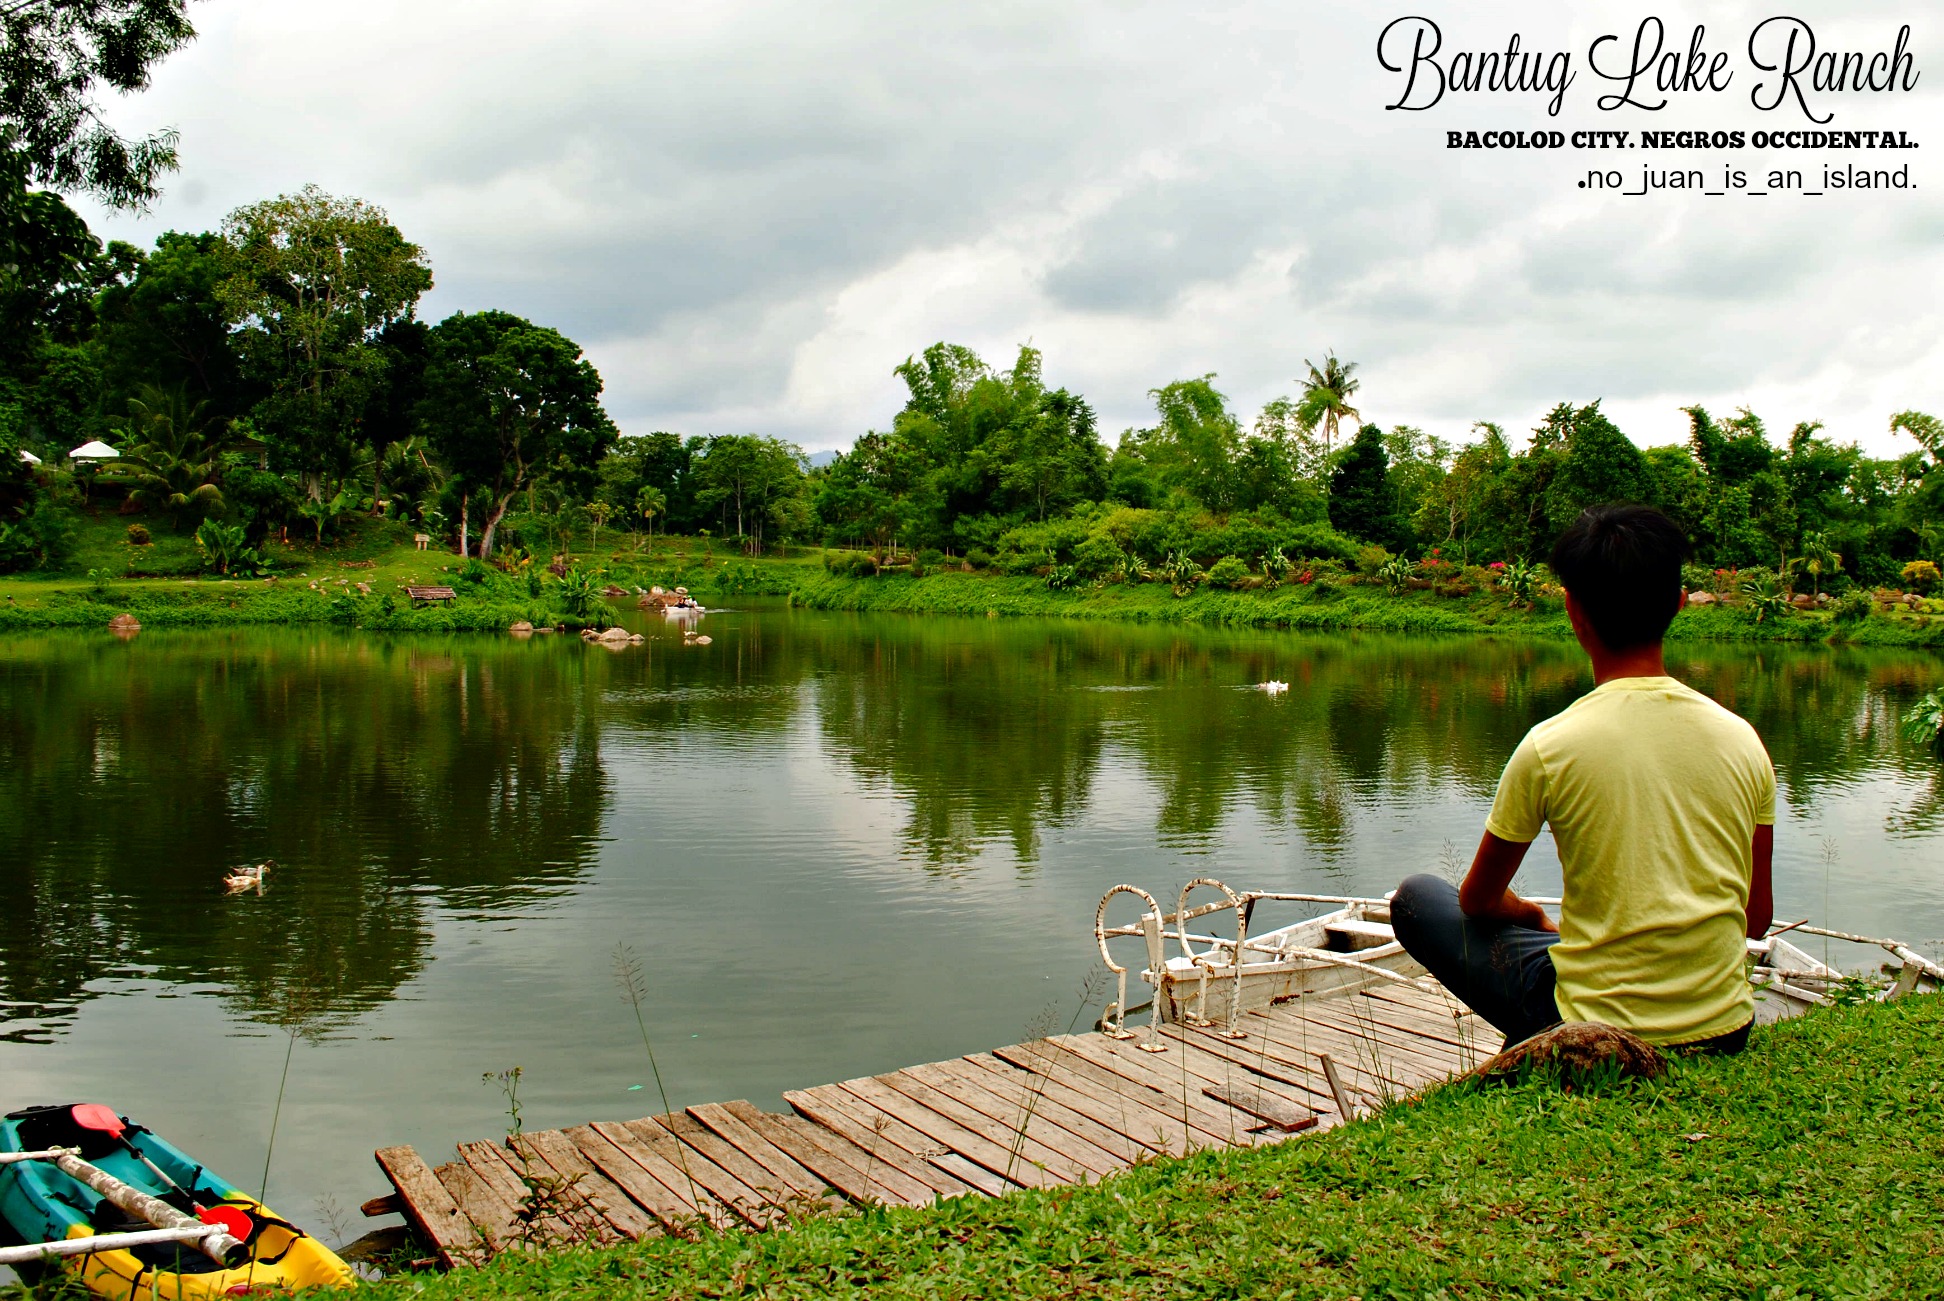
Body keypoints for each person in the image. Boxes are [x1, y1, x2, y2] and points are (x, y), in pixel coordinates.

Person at [1391, 504, 1775, 1052]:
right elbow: (1756, 919)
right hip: (1727, 1028)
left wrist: (1532, 916)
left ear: (1573, 610)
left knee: (1418, 897)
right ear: (1679, 604)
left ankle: (1545, 1041)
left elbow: (1477, 902)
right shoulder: (1744, 740)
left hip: (1597, 1028)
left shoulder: (1551, 744)